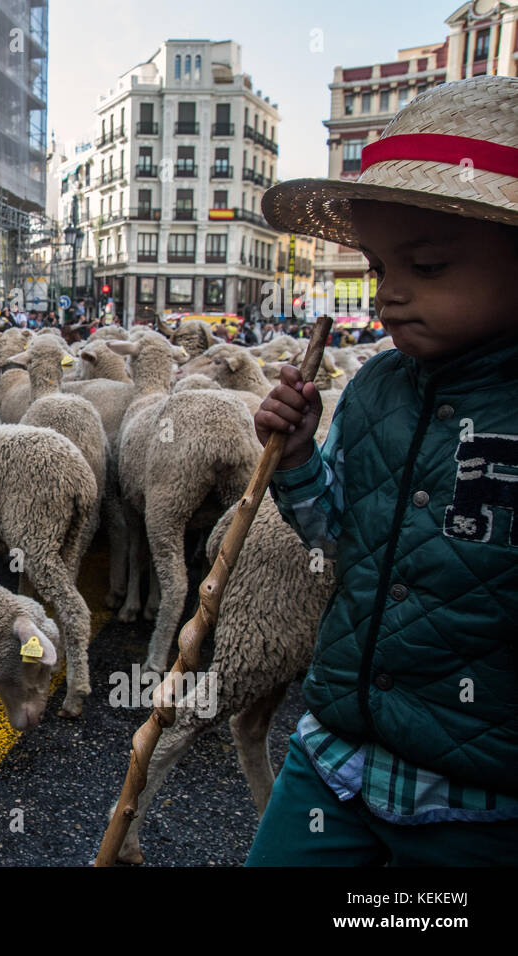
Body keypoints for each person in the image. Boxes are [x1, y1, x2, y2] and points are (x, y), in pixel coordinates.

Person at [247, 75, 518, 867]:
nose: (390, 294)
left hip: (480, 802)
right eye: (375, 265)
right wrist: (296, 459)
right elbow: (334, 535)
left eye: (427, 266)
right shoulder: (372, 389)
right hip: (336, 759)